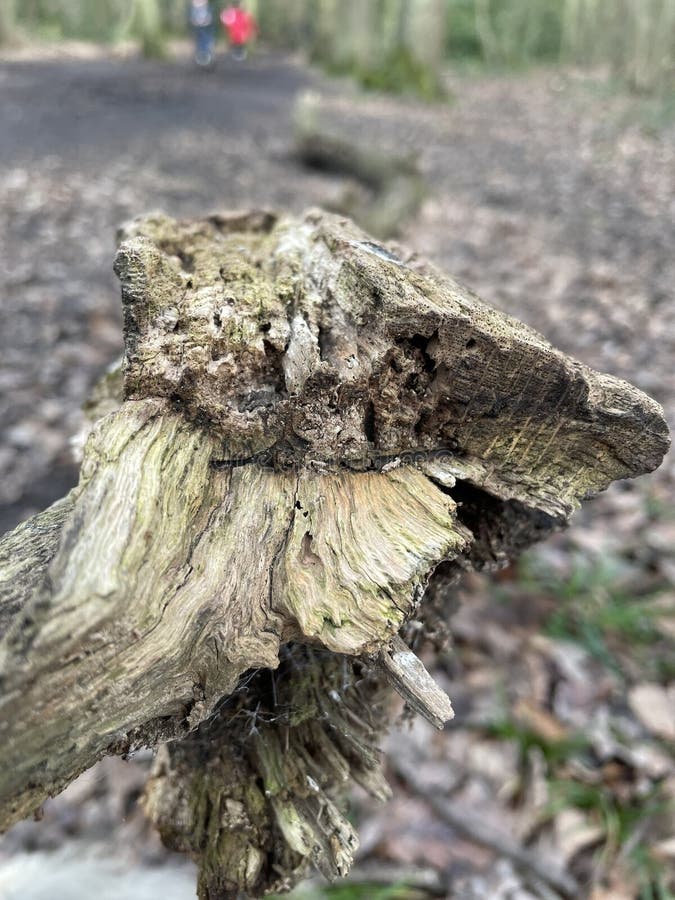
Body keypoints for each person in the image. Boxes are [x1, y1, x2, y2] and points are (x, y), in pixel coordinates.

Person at [188, 0, 215, 67]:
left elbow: (209, 18)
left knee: (206, 41)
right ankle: (200, 57)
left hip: (206, 27)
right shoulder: (194, 9)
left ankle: (207, 56)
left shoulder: (207, 8)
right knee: (199, 41)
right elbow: (192, 18)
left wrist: (206, 21)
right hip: (198, 27)